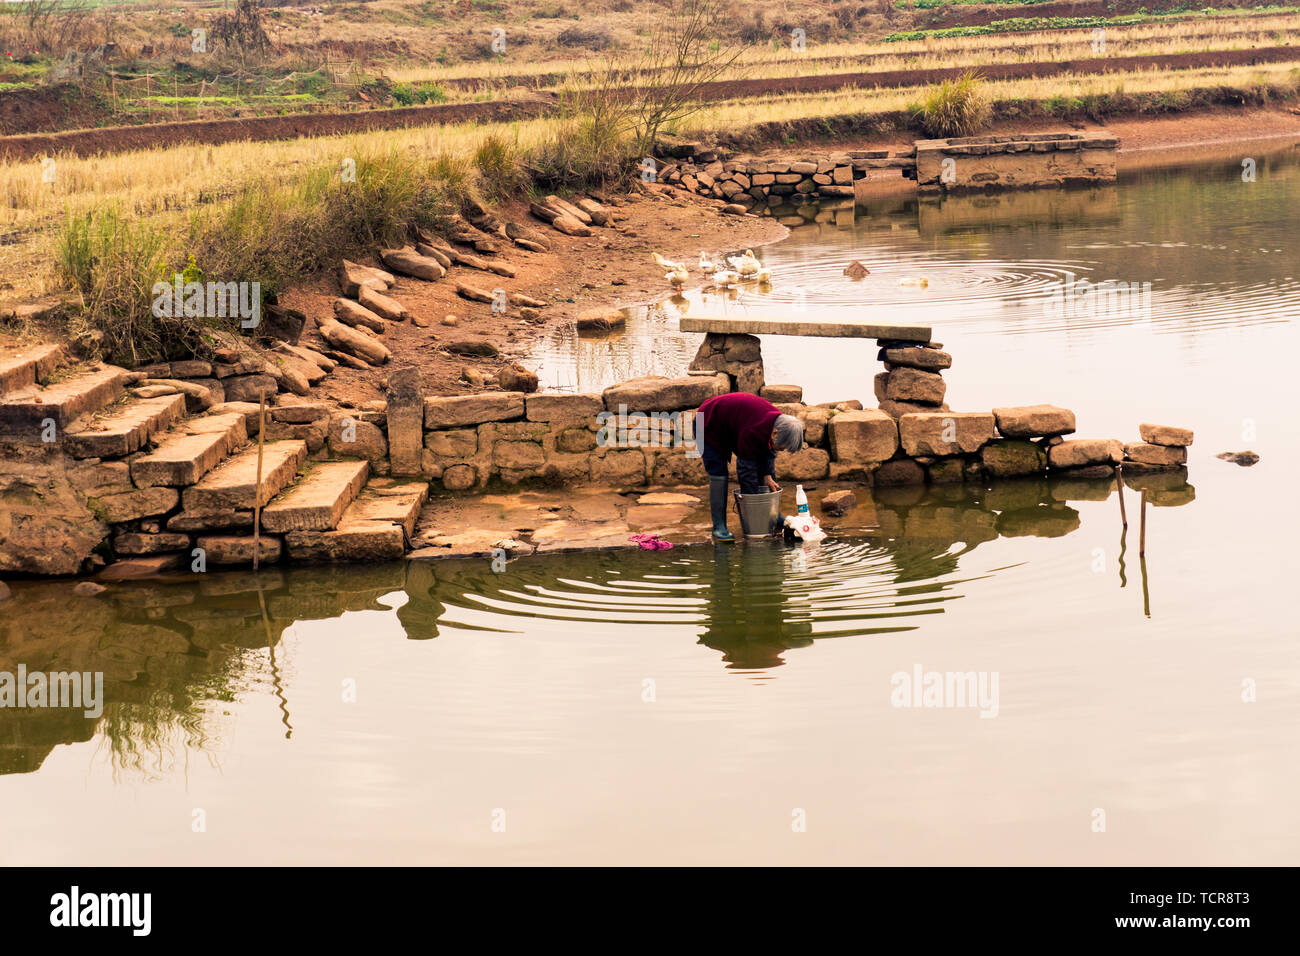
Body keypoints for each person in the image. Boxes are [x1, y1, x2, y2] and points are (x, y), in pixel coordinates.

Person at [695, 392, 804, 542]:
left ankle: (773, 515)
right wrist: (753, 511)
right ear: (774, 433)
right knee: (718, 471)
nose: (781, 450)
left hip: (731, 424)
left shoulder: (778, 423)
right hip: (706, 423)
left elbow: (768, 452)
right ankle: (719, 527)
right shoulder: (754, 430)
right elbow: (746, 471)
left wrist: (767, 475)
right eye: (782, 447)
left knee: (765, 475)